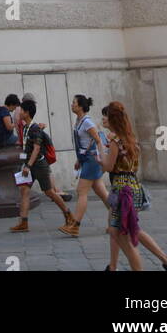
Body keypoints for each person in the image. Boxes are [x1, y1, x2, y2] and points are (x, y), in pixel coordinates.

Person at [100, 105, 167, 272]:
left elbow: (108, 166)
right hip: (133, 188)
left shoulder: (115, 142)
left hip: (122, 191)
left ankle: (163, 262)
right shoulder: (131, 139)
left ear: (113, 119)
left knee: (125, 237)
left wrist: (99, 154)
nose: (103, 119)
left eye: (106, 116)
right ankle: (114, 266)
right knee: (120, 230)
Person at [10, 97, 76, 233]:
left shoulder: (34, 129)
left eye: (21, 110)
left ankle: (68, 214)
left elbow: (36, 149)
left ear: (27, 113)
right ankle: (23, 222)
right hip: (30, 164)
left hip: (38, 165)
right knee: (24, 190)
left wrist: (27, 166)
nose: (19, 112)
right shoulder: (26, 127)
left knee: (49, 192)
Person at [59, 94, 107, 236]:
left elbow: (98, 140)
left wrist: (101, 158)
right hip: (86, 159)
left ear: (80, 106)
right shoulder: (78, 120)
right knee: (102, 193)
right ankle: (121, 218)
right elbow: (83, 143)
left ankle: (75, 225)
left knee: (81, 191)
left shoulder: (87, 122)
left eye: (74, 103)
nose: (72, 105)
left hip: (92, 160)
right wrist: (79, 159)